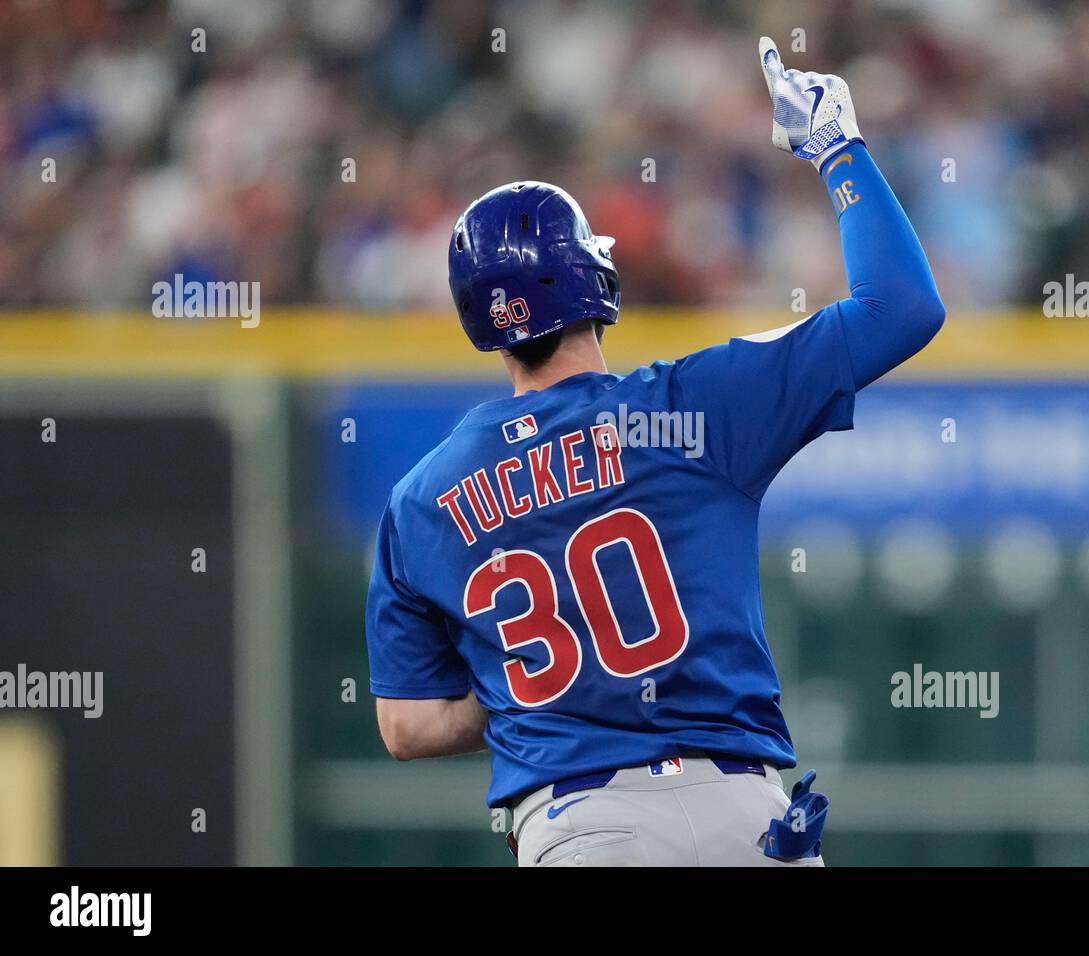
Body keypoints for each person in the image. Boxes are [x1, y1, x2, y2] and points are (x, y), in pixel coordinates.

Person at [365, 37, 945, 866]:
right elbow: (902, 308)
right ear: (588, 281)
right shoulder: (689, 406)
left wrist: (539, 684)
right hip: (743, 814)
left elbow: (409, 724)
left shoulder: (421, 498)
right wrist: (836, 148)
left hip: (583, 826)